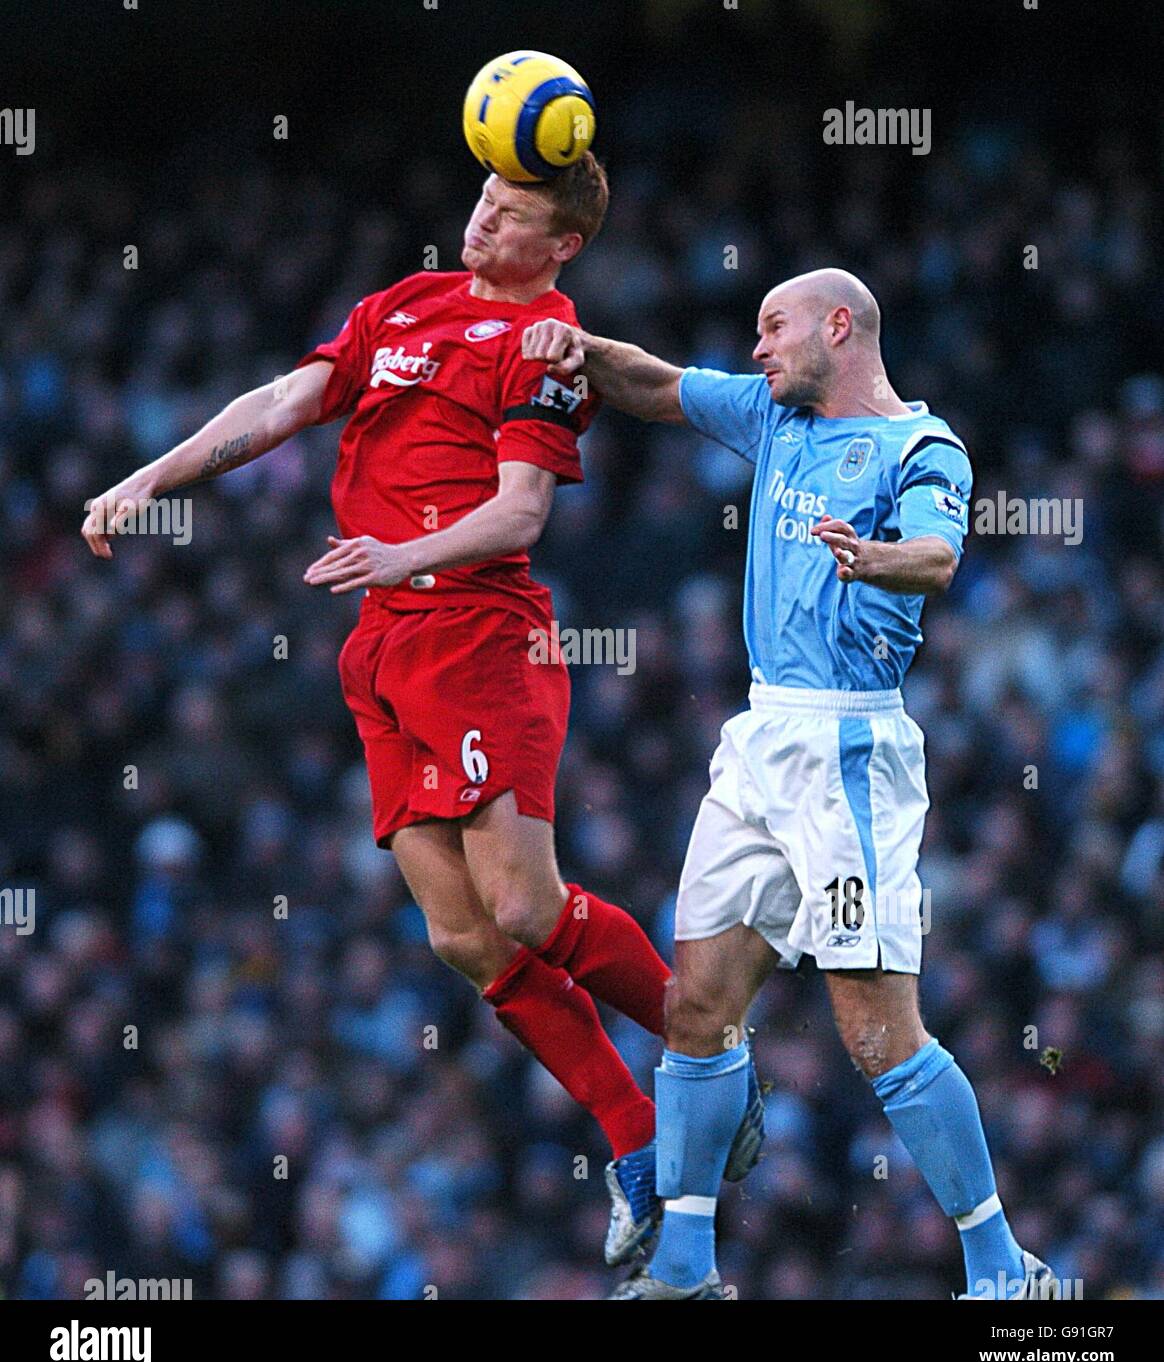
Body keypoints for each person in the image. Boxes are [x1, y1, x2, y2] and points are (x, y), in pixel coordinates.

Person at [80, 155, 760, 1267]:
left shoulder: (548, 345)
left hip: (482, 628)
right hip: (384, 642)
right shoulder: (405, 302)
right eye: (484, 199)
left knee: (527, 908)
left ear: (562, 245)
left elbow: (519, 514)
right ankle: (635, 1137)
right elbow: (289, 400)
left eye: (514, 213)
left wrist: (403, 551)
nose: (484, 217)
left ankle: (713, 1043)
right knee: (459, 934)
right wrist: (155, 476)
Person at [523, 268, 1057, 1300]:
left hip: (850, 754)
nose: (758, 348)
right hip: (760, 736)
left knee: (873, 1032)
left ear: (838, 327)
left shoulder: (921, 447)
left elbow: (940, 558)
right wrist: (561, 346)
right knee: (697, 1006)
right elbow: (658, 382)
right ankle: (684, 1268)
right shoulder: (771, 416)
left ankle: (1002, 1267)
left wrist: (874, 560)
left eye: (774, 328)